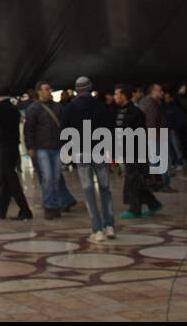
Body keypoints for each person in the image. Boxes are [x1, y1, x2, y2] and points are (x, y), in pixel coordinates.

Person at [61, 76, 115, 243]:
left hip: (81, 152)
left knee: (88, 190)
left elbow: (65, 131)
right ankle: (109, 226)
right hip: (100, 151)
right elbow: (110, 129)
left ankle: (97, 230)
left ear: (77, 90)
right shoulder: (101, 106)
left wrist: (67, 153)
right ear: (91, 88)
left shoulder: (70, 108)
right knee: (105, 188)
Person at [0, 86, 33, 220]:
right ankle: (1, 211)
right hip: (14, 146)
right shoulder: (13, 108)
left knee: (11, 178)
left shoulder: (0, 107)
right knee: (6, 178)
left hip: (5, 147)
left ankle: (25, 210)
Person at [24, 82, 76, 218]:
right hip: (42, 148)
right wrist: (30, 147)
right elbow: (28, 130)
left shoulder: (58, 107)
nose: (49, 91)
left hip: (57, 146)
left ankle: (56, 204)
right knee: (47, 177)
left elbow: (65, 127)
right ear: (39, 92)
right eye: (46, 89)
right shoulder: (33, 109)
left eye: (49, 89)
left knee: (56, 177)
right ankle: (49, 206)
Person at [113, 85, 161, 219]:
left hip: (134, 152)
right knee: (136, 181)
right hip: (125, 151)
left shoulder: (135, 113)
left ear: (123, 95)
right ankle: (153, 204)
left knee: (132, 180)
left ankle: (135, 209)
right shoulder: (120, 111)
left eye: (117, 94)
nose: (115, 96)